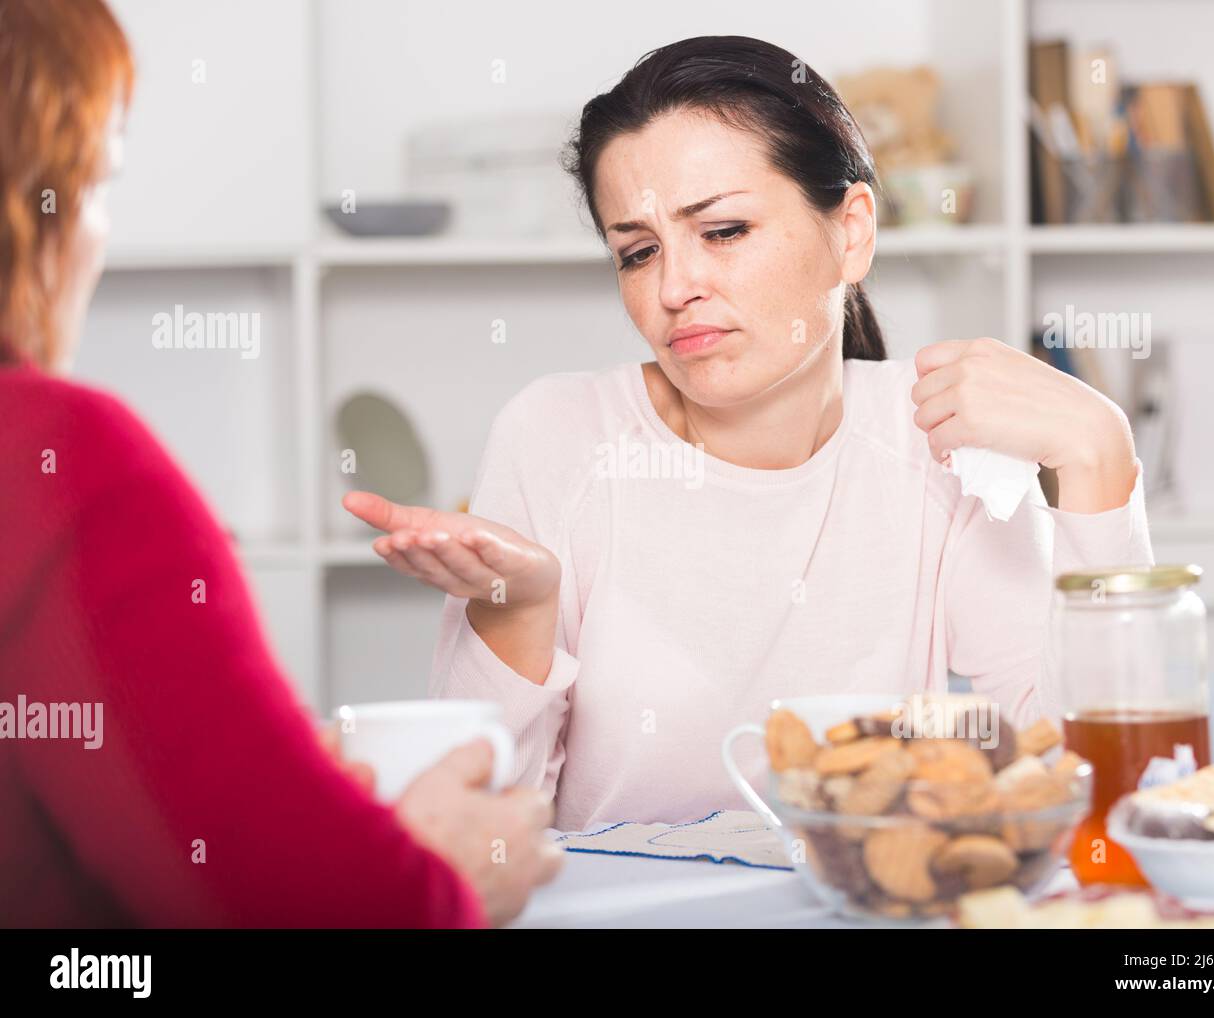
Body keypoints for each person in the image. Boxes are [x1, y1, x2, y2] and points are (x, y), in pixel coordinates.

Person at [344, 35, 1154, 832]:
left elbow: (1090, 781)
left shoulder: (935, 440)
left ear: (853, 231)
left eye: (724, 231)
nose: (674, 287)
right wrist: (516, 611)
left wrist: (1100, 459)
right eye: (637, 251)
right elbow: (473, 839)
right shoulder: (557, 433)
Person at [0, 0, 560, 928]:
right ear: (33, 204)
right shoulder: (63, 460)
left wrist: (277, 789)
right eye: (95, 182)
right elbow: (291, 894)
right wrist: (435, 873)